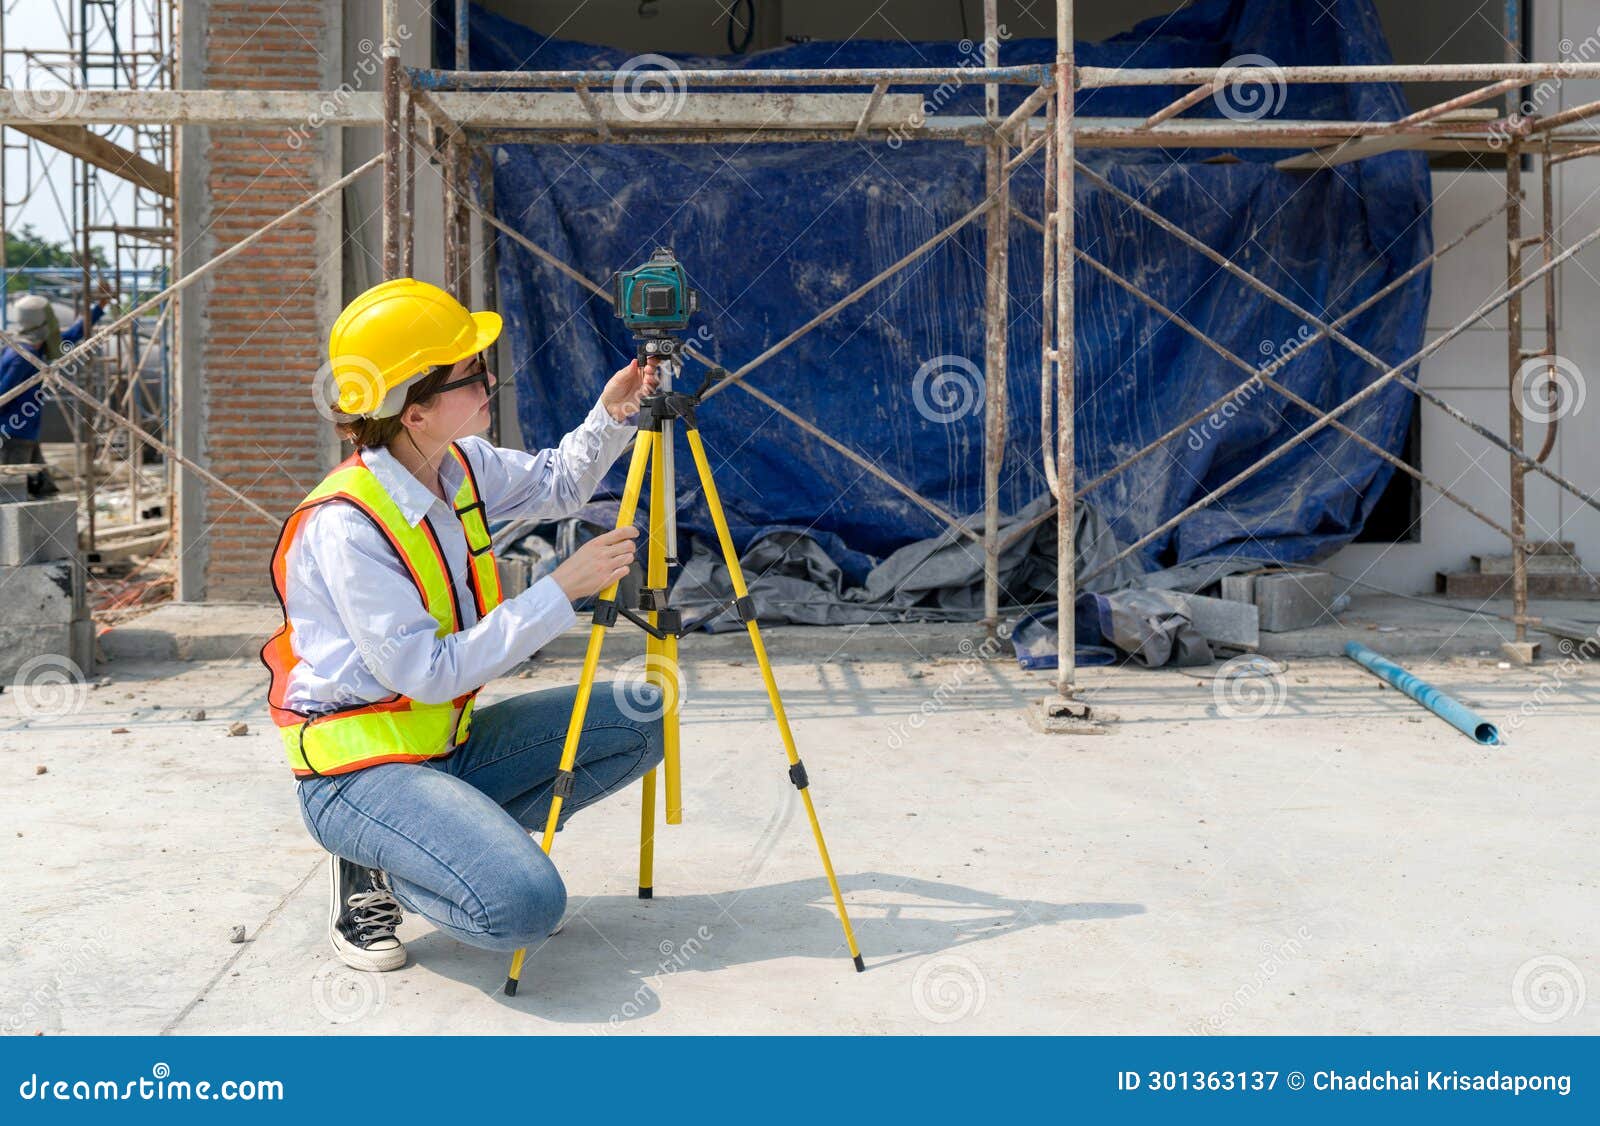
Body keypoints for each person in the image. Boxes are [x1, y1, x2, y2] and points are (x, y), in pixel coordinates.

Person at [263, 277, 665, 973]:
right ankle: (374, 865)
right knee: (526, 909)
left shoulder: (460, 465)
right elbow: (427, 672)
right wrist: (558, 592)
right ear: (413, 412)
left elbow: (560, 484)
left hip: (449, 747)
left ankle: (453, 846)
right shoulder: (347, 526)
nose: (488, 381)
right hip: (358, 774)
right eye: (468, 374)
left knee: (645, 717)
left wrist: (612, 411)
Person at [0, 288, 109, 497]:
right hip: (12, 436)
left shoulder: (29, 349)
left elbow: (72, 335)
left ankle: (50, 528)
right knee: (12, 495)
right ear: (45, 322)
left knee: (43, 490)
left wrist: (100, 307)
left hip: (24, 433)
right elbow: (4, 394)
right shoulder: (22, 357)